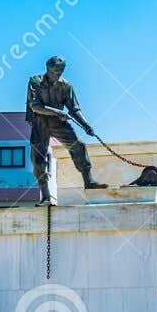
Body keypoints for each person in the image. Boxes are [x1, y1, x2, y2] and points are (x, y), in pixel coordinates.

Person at [25, 55, 105, 204]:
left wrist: (86, 125)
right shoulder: (35, 81)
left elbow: (74, 109)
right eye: (54, 71)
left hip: (58, 123)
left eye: (60, 72)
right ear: (47, 68)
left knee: (79, 147)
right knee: (38, 160)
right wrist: (57, 112)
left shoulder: (66, 85)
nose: (57, 74)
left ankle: (89, 182)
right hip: (40, 122)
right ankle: (46, 196)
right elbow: (35, 106)